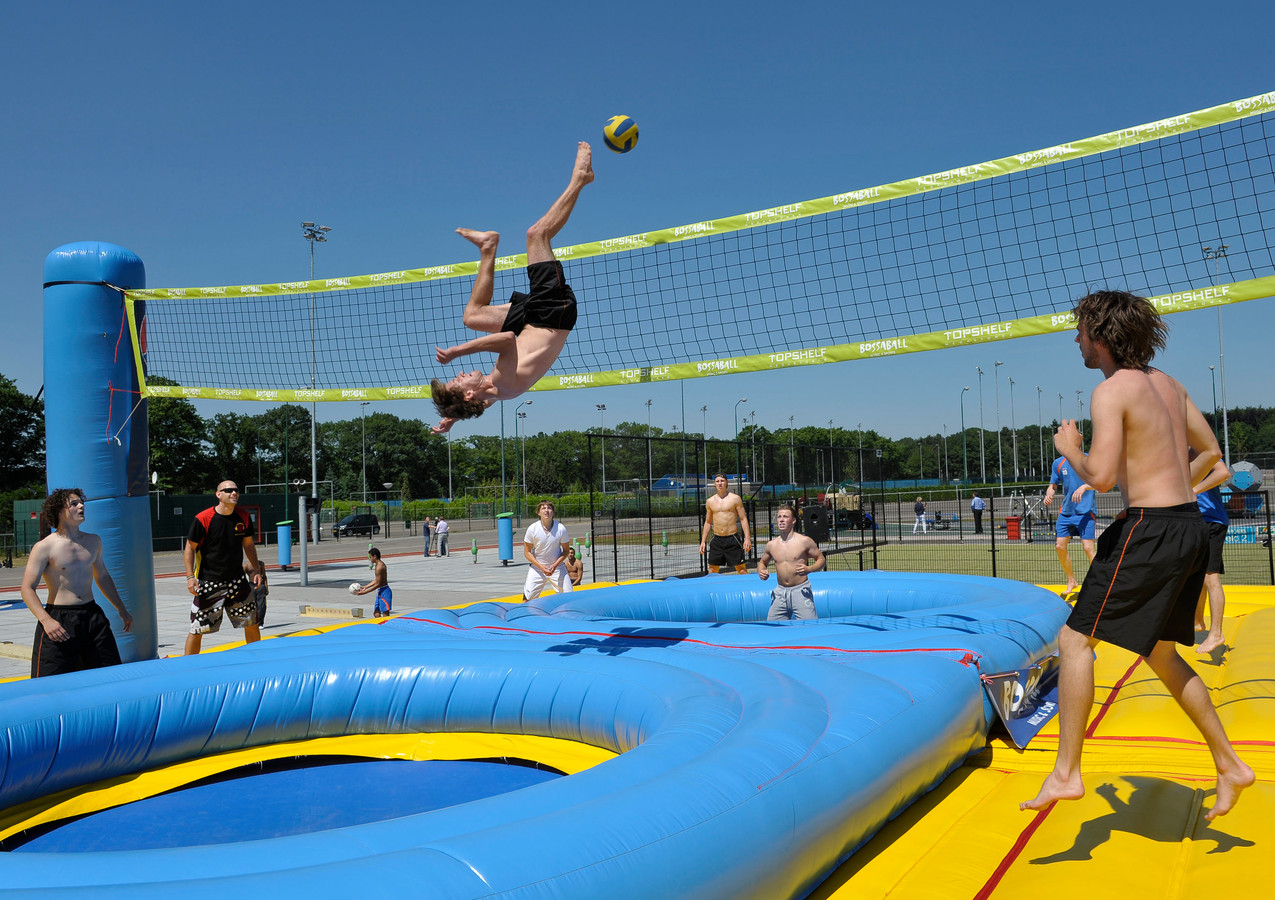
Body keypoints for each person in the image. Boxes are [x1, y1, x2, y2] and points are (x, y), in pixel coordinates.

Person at [1020, 289, 1253, 821]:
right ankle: (1229, 764)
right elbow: (1212, 453)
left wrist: (1068, 447)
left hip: (1149, 531)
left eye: (1080, 330)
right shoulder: (1170, 385)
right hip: (1186, 527)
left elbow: (1100, 476)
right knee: (1163, 653)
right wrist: (1171, 489)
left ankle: (1066, 773)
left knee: (1074, 640)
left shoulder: (1111, 391)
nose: (1075, 339)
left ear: (1099, 336)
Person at [430, 142, 594, 433]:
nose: (458, 374)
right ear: (468, 393)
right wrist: (457, 351)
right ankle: (580, 179)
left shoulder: (494, 390)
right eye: (457, 380)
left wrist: (454, 417)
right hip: (551, 314)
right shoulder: (503, 382)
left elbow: (482, 402)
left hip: (533, 321)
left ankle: (488, 247)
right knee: (536, 234)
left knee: (473, 317)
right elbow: (506, 339)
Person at [21, 488, 133, 677]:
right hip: (60, 619)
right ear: (59, 511)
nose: (81, 506)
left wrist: (121, 608)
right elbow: (27, 588)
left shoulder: (93, 541)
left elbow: (102, 576)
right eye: (73, 504)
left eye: (81, 502)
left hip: (92, 616)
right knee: (49, 682)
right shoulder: (45, 547)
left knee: (109, 674)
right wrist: (46, 620)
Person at [184, 480, 263, 656]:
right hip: (209, 583)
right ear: (218, 494)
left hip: (237, 581)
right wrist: (190, 577)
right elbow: (190, 548)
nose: (234, 493)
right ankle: (187, 666)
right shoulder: (203, 518)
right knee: (198, 628)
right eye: (228, 490)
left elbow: (248, 545)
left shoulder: (243, 516)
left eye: (236, 490)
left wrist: (256, 570)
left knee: (251, 623)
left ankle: (258, 661)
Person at [758, 503, 826, 620]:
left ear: (793, 520)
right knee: (771, 628)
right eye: (779, 517)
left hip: (800, 591)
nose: (781, 520)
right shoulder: (772, 545)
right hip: (780, 592)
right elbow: (762, 562)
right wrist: (761, 570)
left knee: (810, 628)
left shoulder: (804, 541)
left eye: (785, 517)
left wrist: (809, 569)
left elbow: (821, 559)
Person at [1043, 455, 1098, 593]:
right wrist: (1049, 494)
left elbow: (1101, 482)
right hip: (1066, 511)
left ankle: (1099, 581)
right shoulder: (1058, 462)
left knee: (1088, 548)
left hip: (1086, 511)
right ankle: (1071, 581)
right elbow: (1053, 485)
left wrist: (1085, 486)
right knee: (1060, 546)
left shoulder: (1089, 459)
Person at [1194, 456, 1231, 655]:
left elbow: (1223, 472)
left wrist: (1192, 491)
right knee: (1198, 573)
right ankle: (1198, 621)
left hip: (1212, 521)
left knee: (1210, 576)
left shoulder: (1200, 449)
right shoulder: (1175, 451)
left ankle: (1216, 633)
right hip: (1197, 521)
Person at [698, 474, 753, 574]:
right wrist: (703, 541)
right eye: (717, 481)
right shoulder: (710, 501)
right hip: (717, 539)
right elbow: (708, 522)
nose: (720, 483)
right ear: (714, 484)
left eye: (722, 481)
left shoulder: (735, 499)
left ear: (727, 482)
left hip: (732, 539)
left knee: (741, 570)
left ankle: (746, 589)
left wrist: (747, 539)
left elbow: (743, 518)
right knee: (712, 571)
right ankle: (713, 590)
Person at [523, 500, 571, 600]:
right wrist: (540, 566)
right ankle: (525, 614)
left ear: (553, 512)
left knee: (569, 596)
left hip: (557, 567)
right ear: (538, 512)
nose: (546, 510)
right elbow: (527, 552)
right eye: (543, 508)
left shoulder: (561, 528)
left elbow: (566, 550)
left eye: (549, 508)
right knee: (528, 597)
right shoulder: (532, 528)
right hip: (537, 568)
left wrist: (555, 565)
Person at [353, 547, 392, 618]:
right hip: (380, 591)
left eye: (370, 557)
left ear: (375, 556)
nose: (369, 559)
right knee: (376, 613)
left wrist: (365, 592)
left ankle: (385, 628)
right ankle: (379, 627)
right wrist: (366, 586)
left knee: (385, 615)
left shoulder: (379, 567)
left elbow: (378, 584)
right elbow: (376, 580)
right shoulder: (378, 565)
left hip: (385, 592)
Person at [246, 560, 268, 630]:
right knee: (252, 605)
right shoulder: (247, 565)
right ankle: (252, 622)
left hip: (260, 585)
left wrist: (266, 587)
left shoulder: (261, 563)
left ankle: (260, 623)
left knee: (261, 605)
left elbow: (264, 576)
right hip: (251, 585)